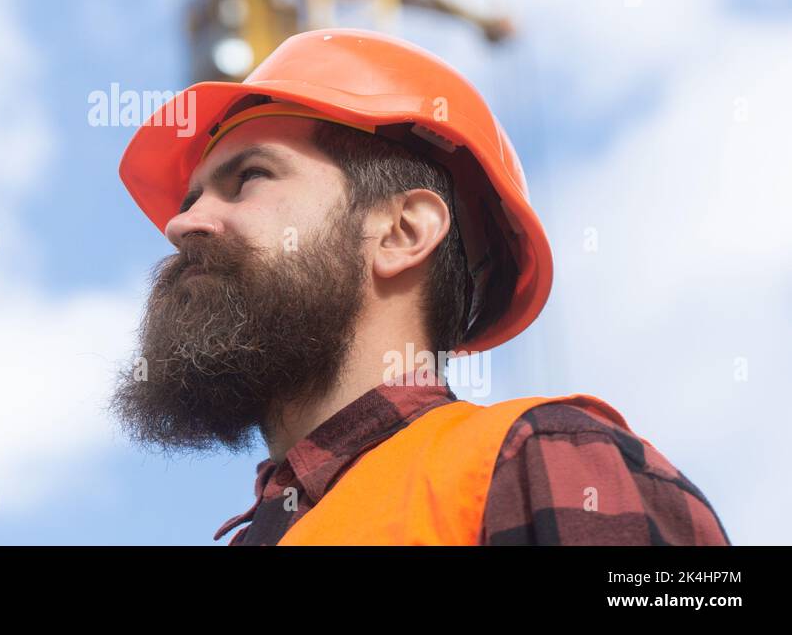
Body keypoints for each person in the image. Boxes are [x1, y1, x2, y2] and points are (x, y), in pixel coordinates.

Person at [111, 28, 730, 545]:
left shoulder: (543, 463)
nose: (180, 223)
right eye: (192, 198)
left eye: (249, 177)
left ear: (403, 231)